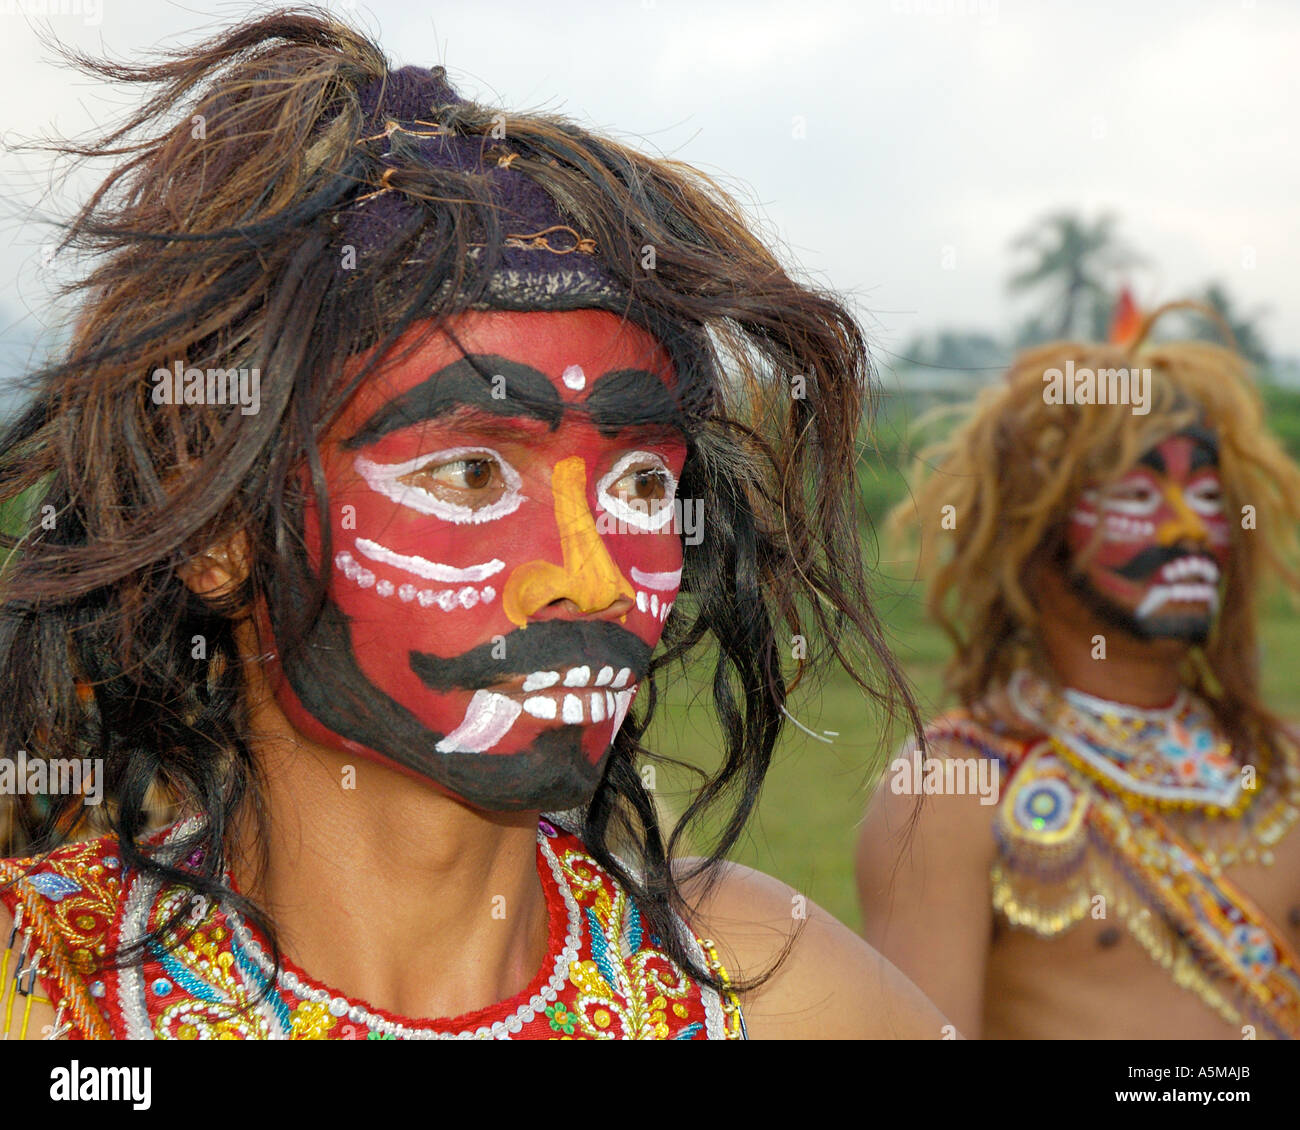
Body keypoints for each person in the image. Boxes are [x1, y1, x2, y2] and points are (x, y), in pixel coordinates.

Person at [0, 11, 945, 1040]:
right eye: (471, 470)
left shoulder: (766, 986)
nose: (592, 579)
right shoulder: (41, 984)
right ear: (219, 527)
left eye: (637, 484)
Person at [856, 302, 1300, 1039]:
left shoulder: (1283, 768)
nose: (1190, 528)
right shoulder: (949, 795)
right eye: (1136, 495)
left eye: (1209, 497)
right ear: (1035, 526)